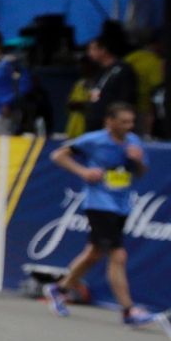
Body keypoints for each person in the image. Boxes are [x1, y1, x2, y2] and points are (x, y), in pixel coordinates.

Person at [43, 102, 156, 327]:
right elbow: (58, 155)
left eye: (131, 122)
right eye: (123, 122)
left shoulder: (133, 142)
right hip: (98, 203)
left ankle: (59, 288)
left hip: (121, 204)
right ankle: (128, 310)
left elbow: (142, 173)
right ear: (110, 122)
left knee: (94, 253)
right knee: (118, 255)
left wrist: (136, 160)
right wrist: (83, 171)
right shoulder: (93, 140)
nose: (128, 126)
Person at [83, 33, 137, 132]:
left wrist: (115, 121)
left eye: (92, 49)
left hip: (111, 127)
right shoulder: (98, 71)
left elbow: (125, 98)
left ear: (103, 50)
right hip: (94, 123)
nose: (89, 53)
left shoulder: (123, 69)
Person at [125, 33, 164, 136]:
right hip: (144, 108)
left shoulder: (131, 57)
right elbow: (157, 86)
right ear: (157, 44)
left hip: (127, 106)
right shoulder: (154, 61)